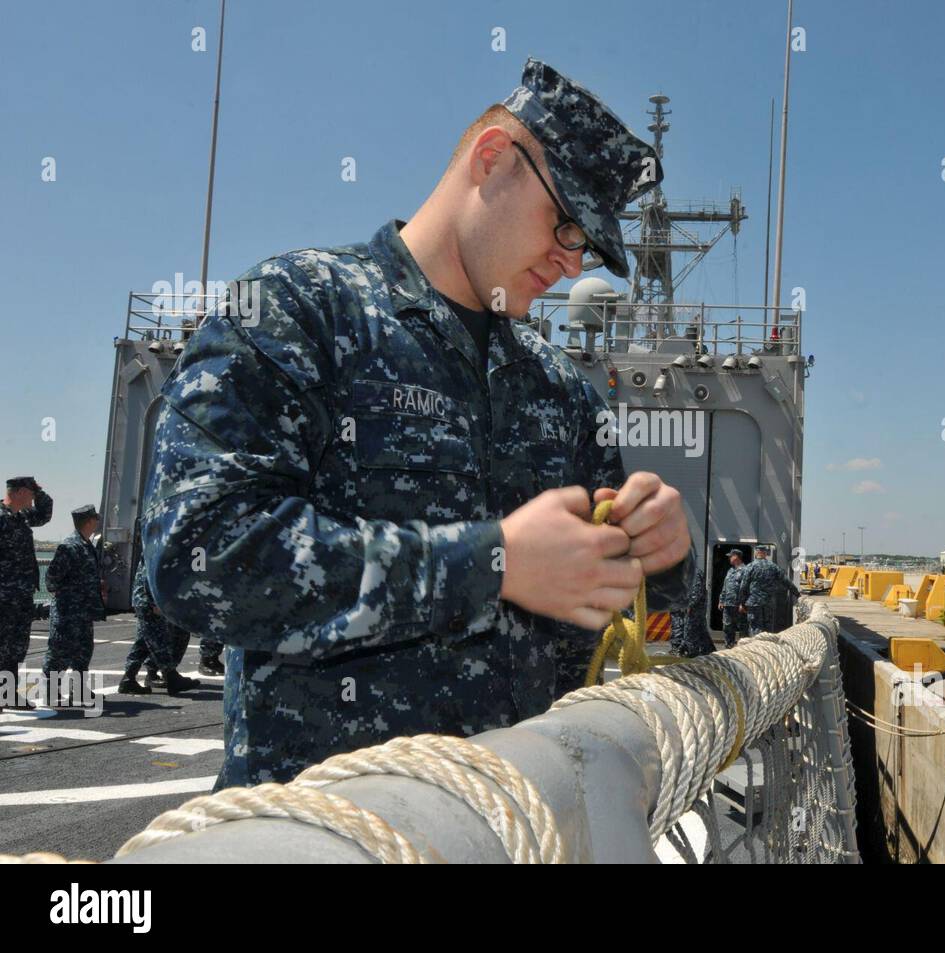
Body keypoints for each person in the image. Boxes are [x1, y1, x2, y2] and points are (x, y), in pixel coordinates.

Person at [141, 59, 693, 788]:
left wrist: (664, 551)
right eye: (564, 223)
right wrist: (490, 563)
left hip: (512, 825)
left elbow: (623, 605)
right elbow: (198, 554)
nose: (567, 262)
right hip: (326, 831)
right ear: (491, 158)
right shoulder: (295, 310)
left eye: (584, 248)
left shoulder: (558, 387)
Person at [43, 504, 105, 706]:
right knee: (60, 651)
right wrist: (66, 596)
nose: (97, 521)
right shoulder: (69, 546)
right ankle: (51, 692)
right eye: (95, 518)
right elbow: (52, 578)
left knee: (83, 652)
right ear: (89, 521)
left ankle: (78, 691)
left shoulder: (86, 545)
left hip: (84, 611)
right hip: (68, 611)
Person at [0, 476, 53, 710]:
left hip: (20, 595)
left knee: (15, 646)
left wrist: (39, 490)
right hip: (3, 594)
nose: (32, 499)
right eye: (30, 493)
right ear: (20, 492)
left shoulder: (21, 517)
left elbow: (45, 513)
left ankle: (7, 694)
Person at [120, 557, 202, 695]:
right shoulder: (157, 545)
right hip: (149, 602)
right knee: (158, 640)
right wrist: (154, 602)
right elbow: (150, 573)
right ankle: (171, 677)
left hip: (147, 601)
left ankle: (128, 680)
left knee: (144, 643)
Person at [739, 545, 800, 636]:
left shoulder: (750, 567)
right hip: (769, 603)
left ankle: (757, 647)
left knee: (755, 627)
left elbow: (743, 587)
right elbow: (786, 582)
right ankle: (766, 647)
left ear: (756, 553)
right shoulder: (773, 567)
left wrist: (742, 603)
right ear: (765, 553)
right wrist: (797, 594)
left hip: (754, 603)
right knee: (768, 628)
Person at [669, 568, 714, 658]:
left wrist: (690, 605)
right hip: (692, 606)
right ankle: (709, 651)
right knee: (700, 630)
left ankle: (691, 652)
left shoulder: (694, 572)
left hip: (695, 607)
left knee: (690, 630)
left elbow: (696, 591)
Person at [717, 549, 749, 647]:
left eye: (731, 556)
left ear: (736, 557)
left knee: (742, 628)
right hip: (728, 604)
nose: (729, 558)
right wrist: (721, 601)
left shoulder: (745, 570)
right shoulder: (730, 570)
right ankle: (728, 646)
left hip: (738, 605)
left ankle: (743, 649)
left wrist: (743, 604)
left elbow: (746, 589)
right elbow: (725, 587)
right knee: (727, 627)